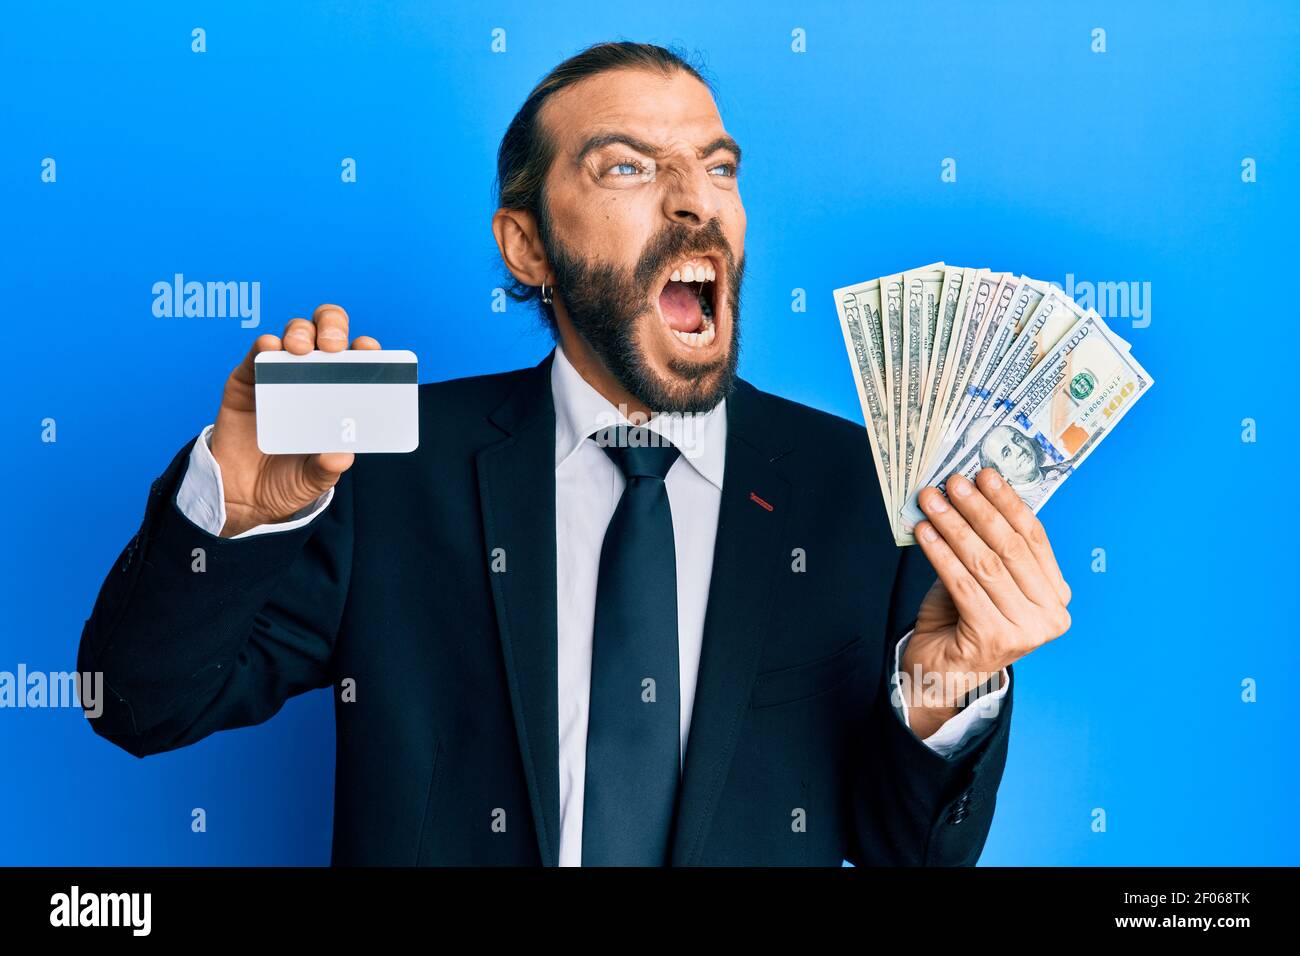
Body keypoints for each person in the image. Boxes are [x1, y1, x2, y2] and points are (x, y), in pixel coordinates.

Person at [78, 41, 1071, 866]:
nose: (695, 203)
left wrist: (947, 681)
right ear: (528, 246)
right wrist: (233, 514)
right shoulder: (385, 473)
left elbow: (907, 851)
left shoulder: (864, 490)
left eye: (717, 167)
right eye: (627, 167)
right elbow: (134, 704)